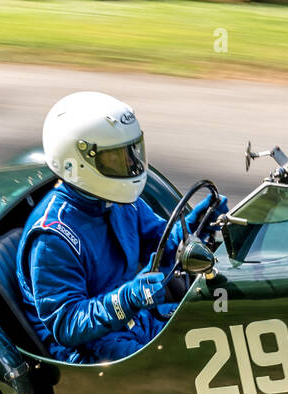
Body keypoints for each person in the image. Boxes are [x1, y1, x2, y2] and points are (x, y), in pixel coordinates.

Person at [17, 91, 227, 363]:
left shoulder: (116, 201)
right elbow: (67, 324)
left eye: (131, 152)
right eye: (116, 158)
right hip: (91, 350)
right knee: (183, 365)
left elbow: (160, 244)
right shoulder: (54, 236)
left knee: (222, 323)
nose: (130, 164)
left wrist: (193, 228)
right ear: (78, 161)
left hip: (137, 321)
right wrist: (126, 299)